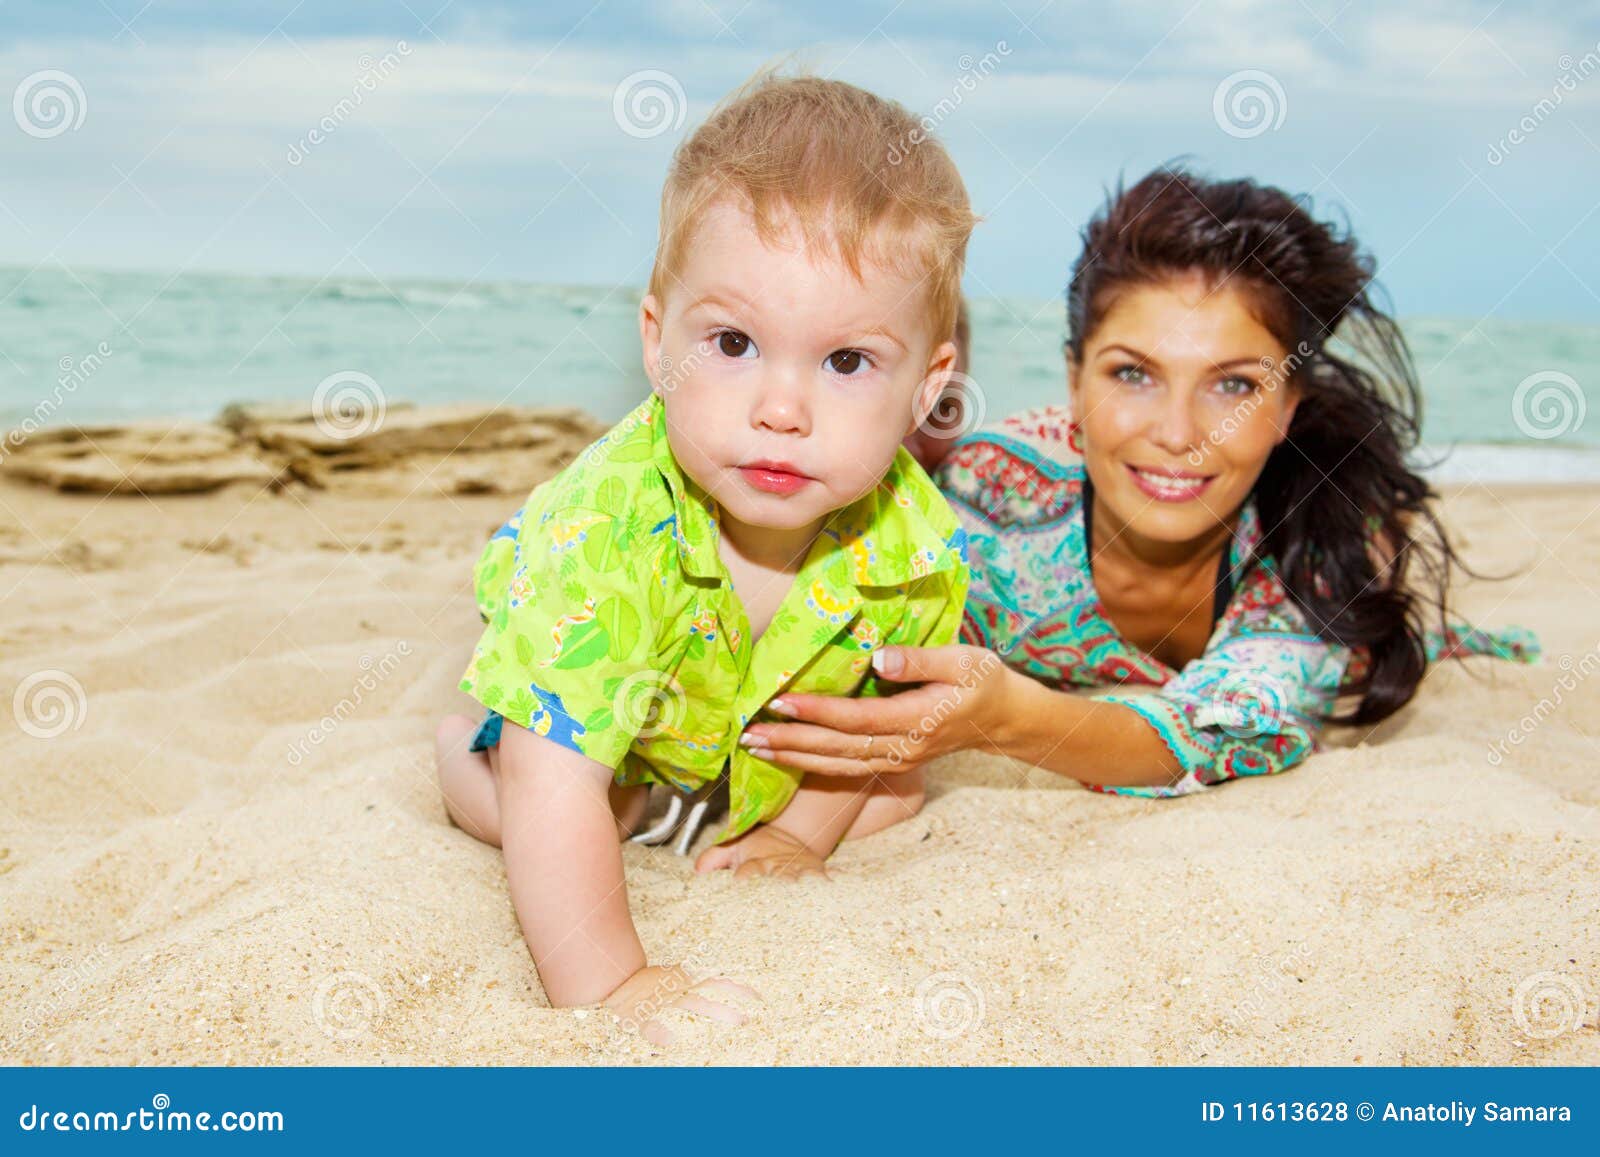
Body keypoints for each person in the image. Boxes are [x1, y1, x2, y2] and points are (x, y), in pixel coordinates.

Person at [433, 71, 975, 1043]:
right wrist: (615, 980)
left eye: (845, 362)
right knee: (529, 799)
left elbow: (870, 731)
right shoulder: (611, 522)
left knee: (895, 787)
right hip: (594, 694)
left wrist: (793, 835)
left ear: (927, 384)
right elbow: (558, 782)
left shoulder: (918, 545)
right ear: (656, 339)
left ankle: (702, 802)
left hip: (740, 719)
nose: (781, 408)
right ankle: (474, 752)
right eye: (731, 342)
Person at [737, 167, 1538, 794]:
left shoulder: (1316, 547)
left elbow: (1220, 729)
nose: (1180, 434)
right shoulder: (985, 506)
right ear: (1075, 379)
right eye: (1133, 373)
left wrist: (1011, 718)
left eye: (1234, 384)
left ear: (1290, 403)